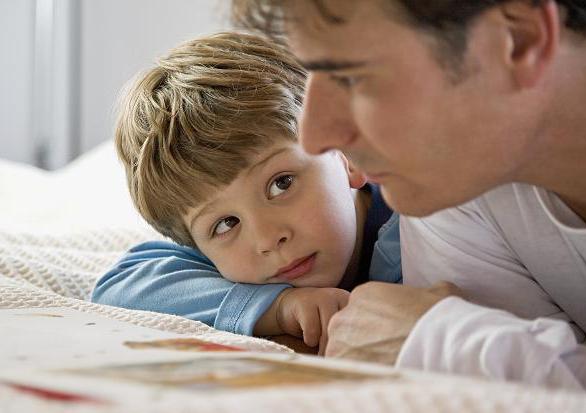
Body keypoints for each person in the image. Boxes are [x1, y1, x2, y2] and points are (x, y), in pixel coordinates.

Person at [231, 0, 586, 395]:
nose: (314, 136)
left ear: (518, 40)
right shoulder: (454, 183)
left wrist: (441, 344)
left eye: (351, 77)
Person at [91, 32, 401, 355]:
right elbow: (118, 289)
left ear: (347, 153)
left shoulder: (418, 231)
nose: (267, 238)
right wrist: (277, 308)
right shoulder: (226, 261)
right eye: (226, 223)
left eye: (281, 183)